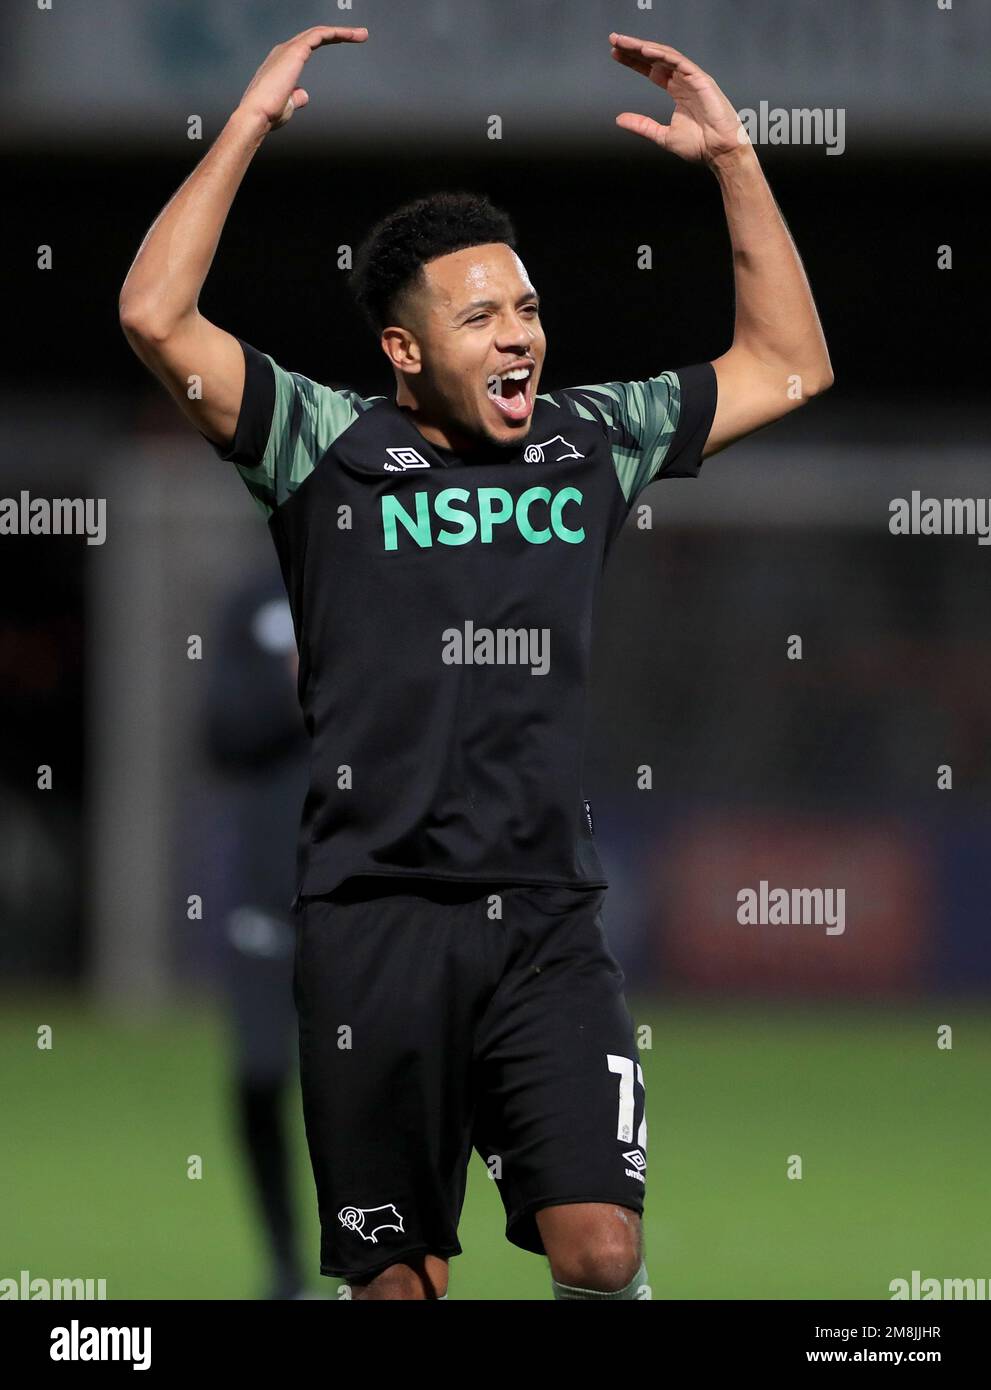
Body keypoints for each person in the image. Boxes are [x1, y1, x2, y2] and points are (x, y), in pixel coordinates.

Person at [119, 25, 832, 1300]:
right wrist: (243, 130)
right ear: (403, 351)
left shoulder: (589, 442)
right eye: (481, 316)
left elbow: (788, 364)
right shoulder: (320, 448)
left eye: (529, 308)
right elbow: (152, 313)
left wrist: (734, 160)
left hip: (545, 920)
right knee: (399, 1283)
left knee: (601, 1251)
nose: (521, 337)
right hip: (368, 925)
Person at [204, 568, 309, 1299]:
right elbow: (220, 733)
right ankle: (283, 1267)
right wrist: (302, 680)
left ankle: (374, 1253)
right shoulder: (255, 601)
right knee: (261, 1073)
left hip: (372, 894)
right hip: (269, 894)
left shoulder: (394, 575)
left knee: (377, 1092)